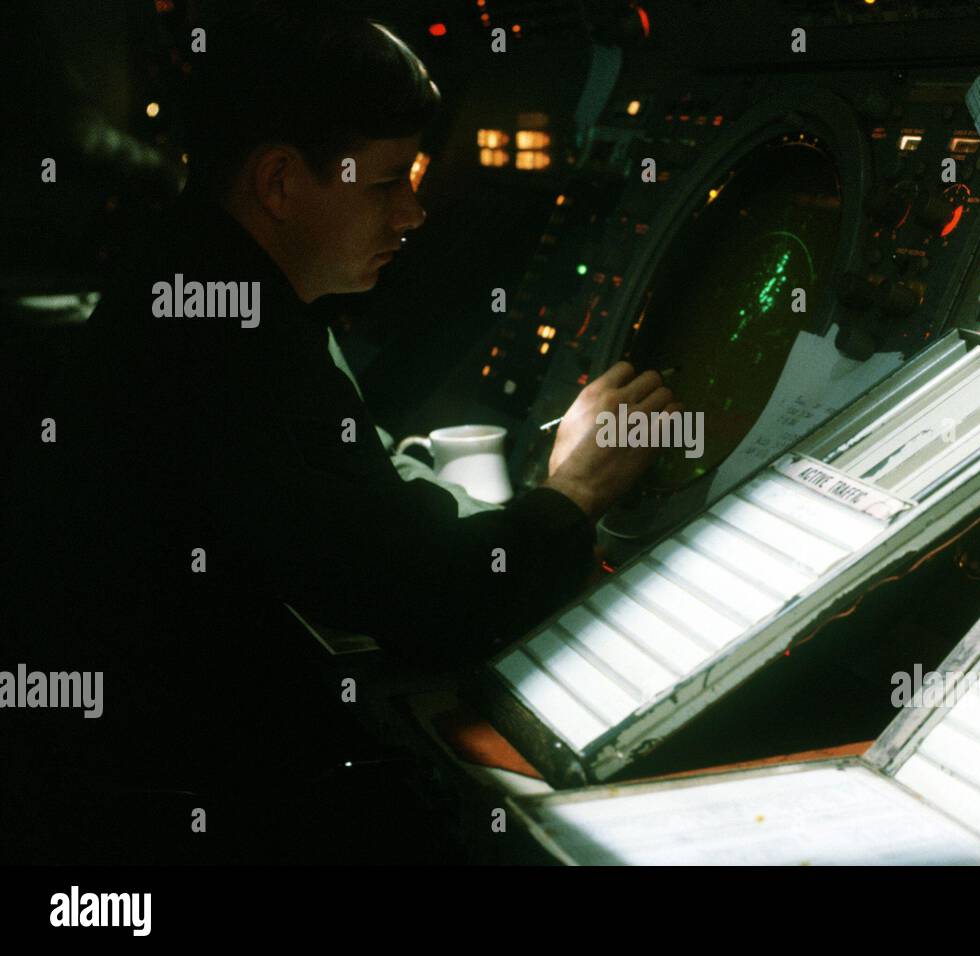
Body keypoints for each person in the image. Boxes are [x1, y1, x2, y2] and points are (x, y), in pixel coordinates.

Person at [0, 2, 679, 862]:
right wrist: (571, 494)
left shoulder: (195, 273)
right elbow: (433, 607)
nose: (414, 214)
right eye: (386, 183)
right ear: (280, 182)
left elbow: (332, 516)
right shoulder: (234, 347)